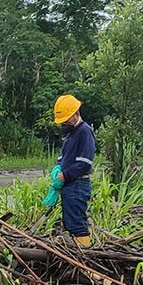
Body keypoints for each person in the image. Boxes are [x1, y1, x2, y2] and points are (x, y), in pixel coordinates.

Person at [50, 95, 96, 246]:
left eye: (67, 118)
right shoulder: (69, 133)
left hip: (78, 185)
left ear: (76, 113)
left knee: (77, 223)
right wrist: (58, 167)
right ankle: (77, 250)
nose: (64, 122)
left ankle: (84, 253)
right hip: (69, 185)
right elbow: (64, 156)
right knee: (69, 221)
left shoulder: (84, 131)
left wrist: (65, 175)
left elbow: (85, 163)